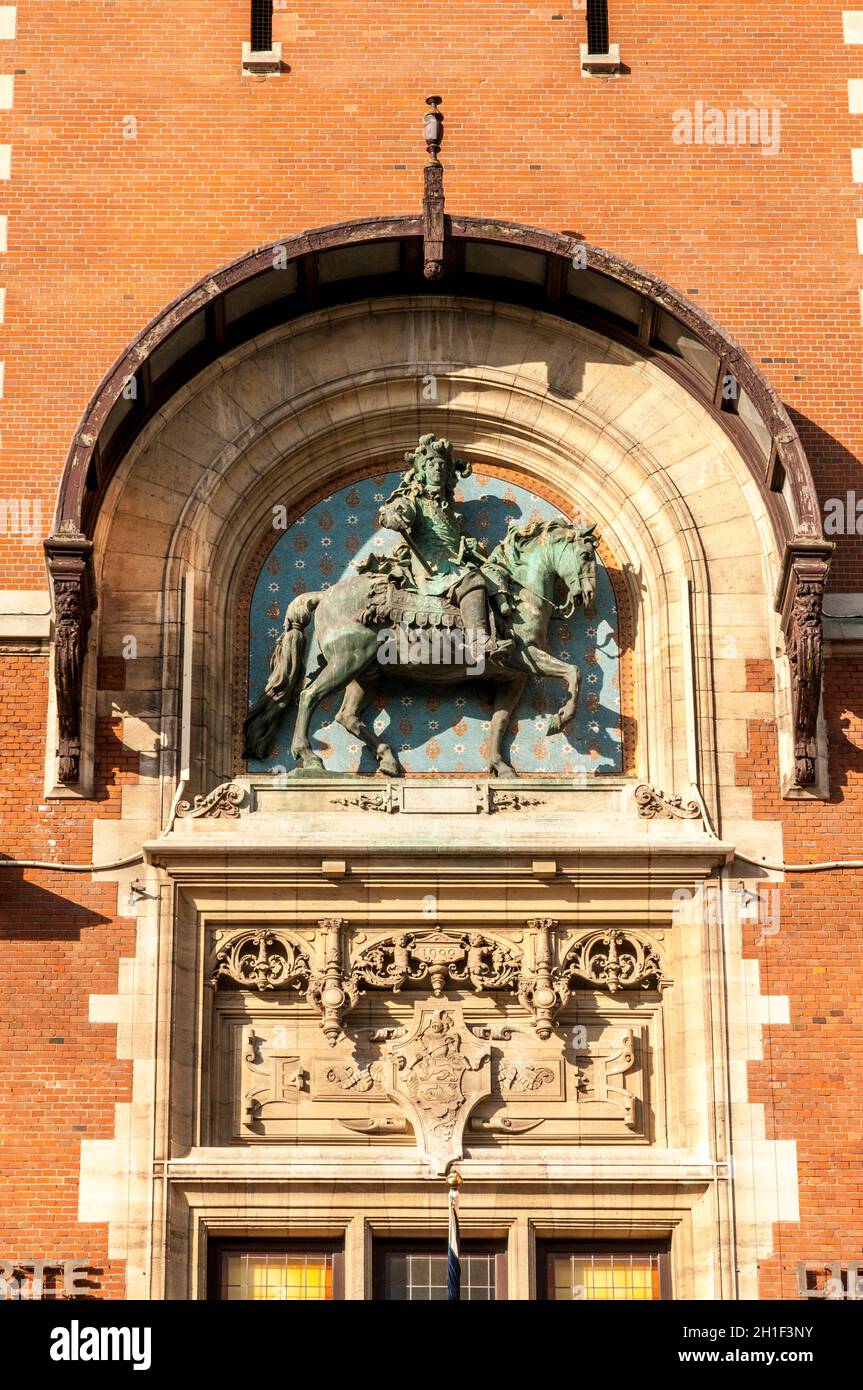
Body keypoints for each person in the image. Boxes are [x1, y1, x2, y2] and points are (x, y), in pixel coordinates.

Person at [377, 434, 513, 660]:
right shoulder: (415, 498)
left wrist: (469, 544)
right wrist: (394, 515)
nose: (437, 469)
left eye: (442, 465)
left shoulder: (447, 509)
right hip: (429, 563)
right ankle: (480, 642)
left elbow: (455, 537)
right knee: (472, 579)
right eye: (431, 465)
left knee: (494, 572)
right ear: (422, 470)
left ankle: (503, 625)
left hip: (453, 561)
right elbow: (397, 510)